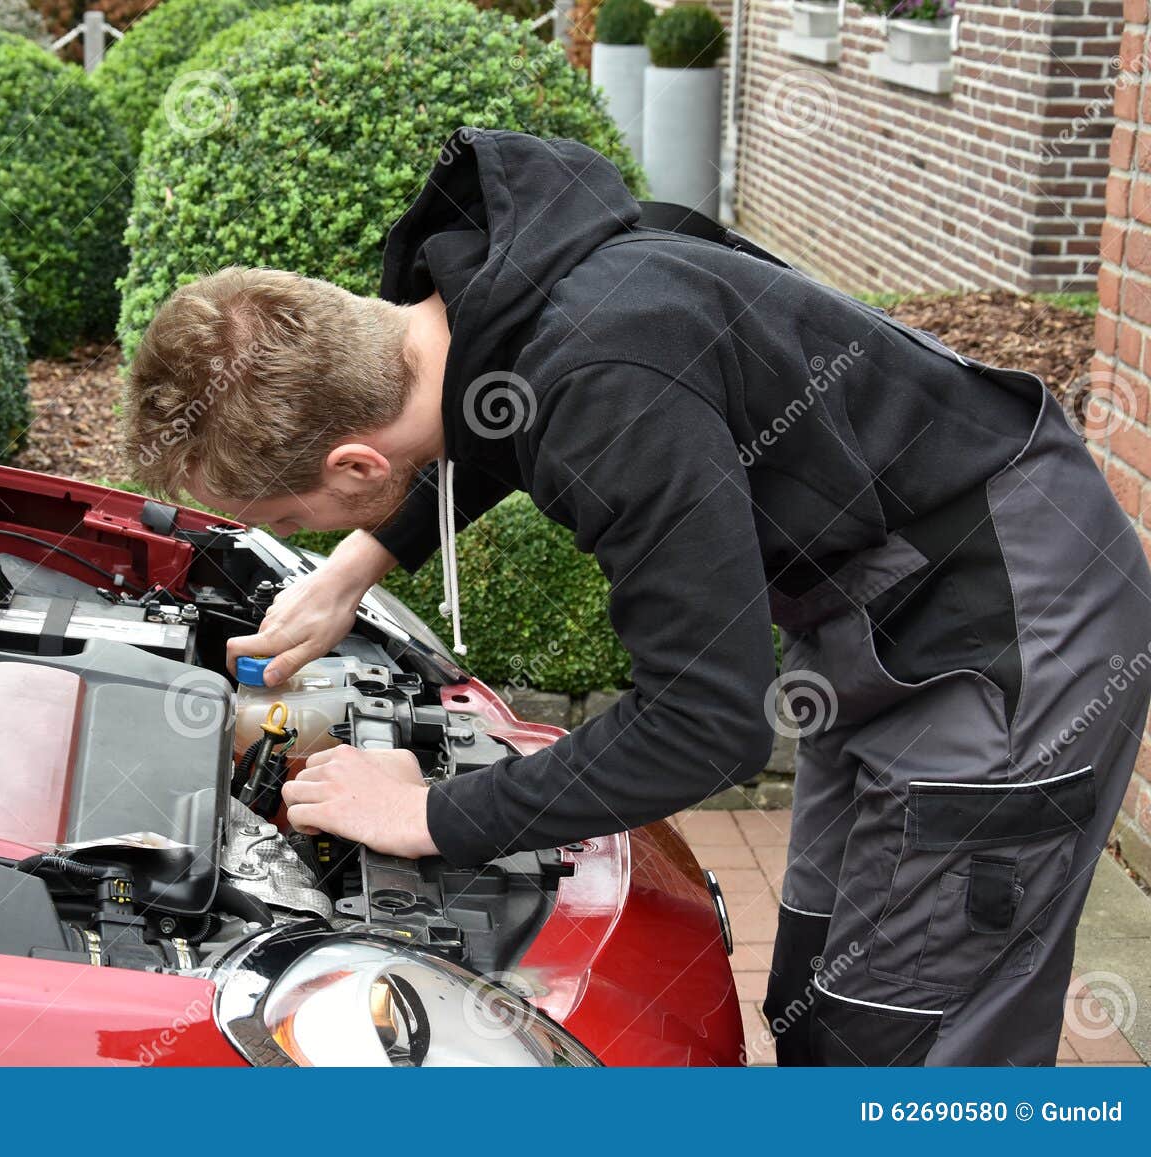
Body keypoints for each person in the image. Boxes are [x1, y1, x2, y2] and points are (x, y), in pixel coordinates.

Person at [120, 127, 1151, 1066]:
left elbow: (704, 725)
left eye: (299, 520)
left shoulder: (608, 379)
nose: (310, 539)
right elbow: (491, 411)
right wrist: (354, 564)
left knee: (914, 1032)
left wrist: (432, 813)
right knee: (821, 999)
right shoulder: (485, 297)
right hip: (877, 613)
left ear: (350, 460)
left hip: (1006, 613)